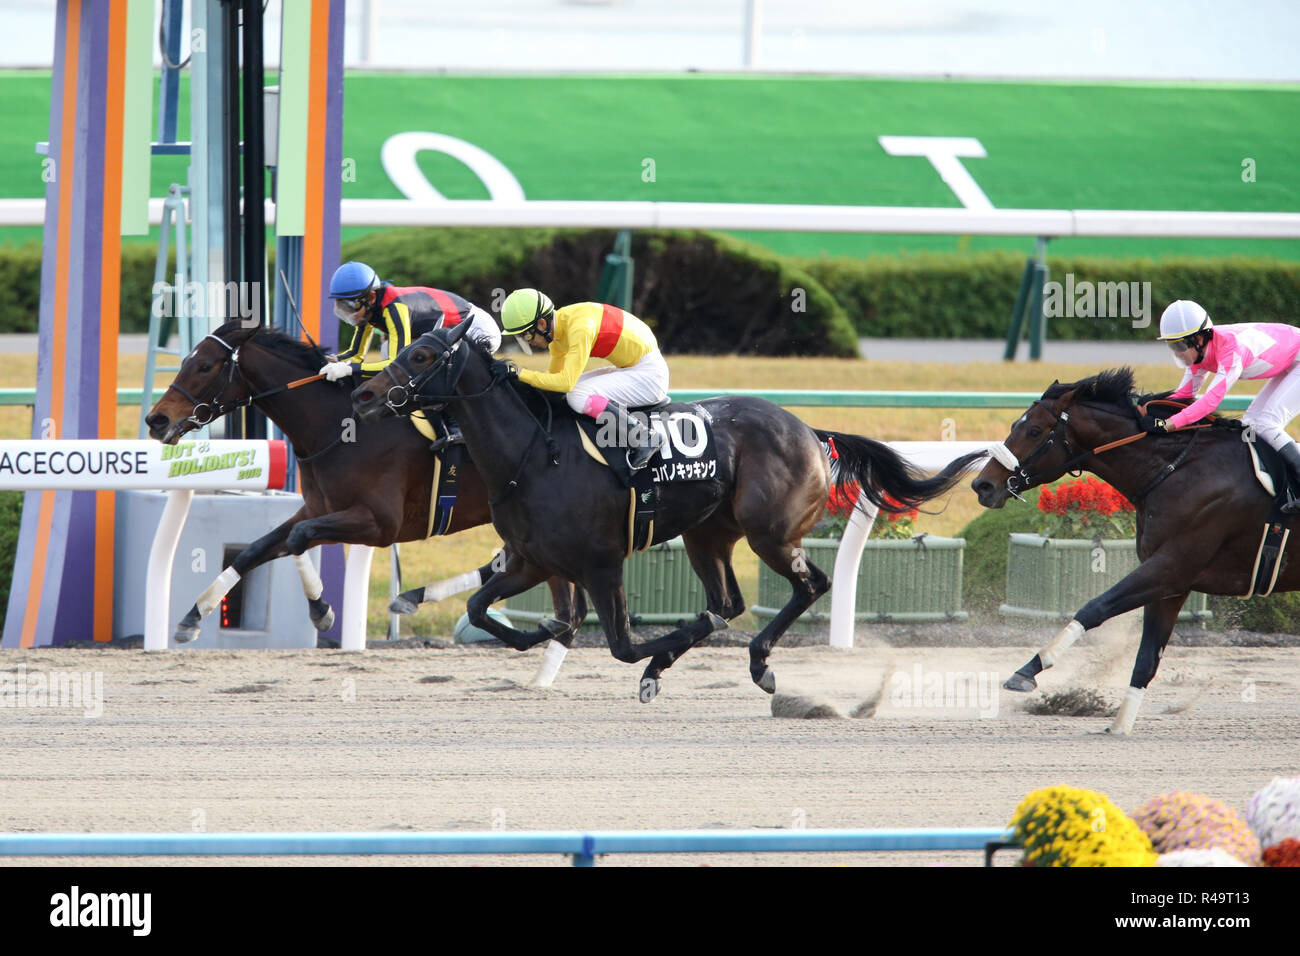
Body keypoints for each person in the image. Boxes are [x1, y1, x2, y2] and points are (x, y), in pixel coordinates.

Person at [321, 261, 502, 448]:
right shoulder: (368, 310)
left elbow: (391, 363)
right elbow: (355, 355)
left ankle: (454, 427)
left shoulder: (394, 308)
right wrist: (334, 361)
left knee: (423, 371)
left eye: (350, 305)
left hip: (475, 328)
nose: (349, 313)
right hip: (445, 330)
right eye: (341, 305)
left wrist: (348, 368)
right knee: (392, 355)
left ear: (372, 297)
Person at [1146, 299, 1300, 512]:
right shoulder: (1200, 352)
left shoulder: (1230, 349)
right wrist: (1145, 407)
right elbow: (1184, 395)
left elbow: (1210, 401)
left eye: (1180, 345)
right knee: (1251, 424)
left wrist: (1169, 424)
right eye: (1172, 346)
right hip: (1291, 358)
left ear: (1199, 339)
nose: (1178, 352)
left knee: (1266, 422)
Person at [498, 289, 669, 469]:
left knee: (577, 395)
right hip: (634, 369)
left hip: (650, 377)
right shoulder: (559, 333)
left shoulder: (579, 328)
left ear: (541, 323)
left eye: (526, 335)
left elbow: (566, 382)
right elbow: (554, 384)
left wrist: (519, 373)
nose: (528, 342)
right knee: (572, 392)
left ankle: (643, 436)